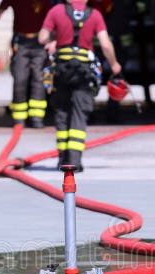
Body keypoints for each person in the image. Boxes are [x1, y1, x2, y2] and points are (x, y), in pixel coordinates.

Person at [39, 0, 121, 172]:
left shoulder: (57, 11)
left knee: (62, 112)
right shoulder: (95, 15)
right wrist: (114, 65)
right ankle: (74, 161)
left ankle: (62, 159)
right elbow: (105, 44)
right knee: (79, 113)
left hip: (61, 70)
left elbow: (42, 37)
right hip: (83, 72)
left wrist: (55, 38)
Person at [0, 0, 53, 128]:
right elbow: (3, 6)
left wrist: (52, 39)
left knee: (38, 79)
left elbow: (52, 18)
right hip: (21, 42)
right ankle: (19, 119)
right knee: (20, 79)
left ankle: (37, 118)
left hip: (39, 42)